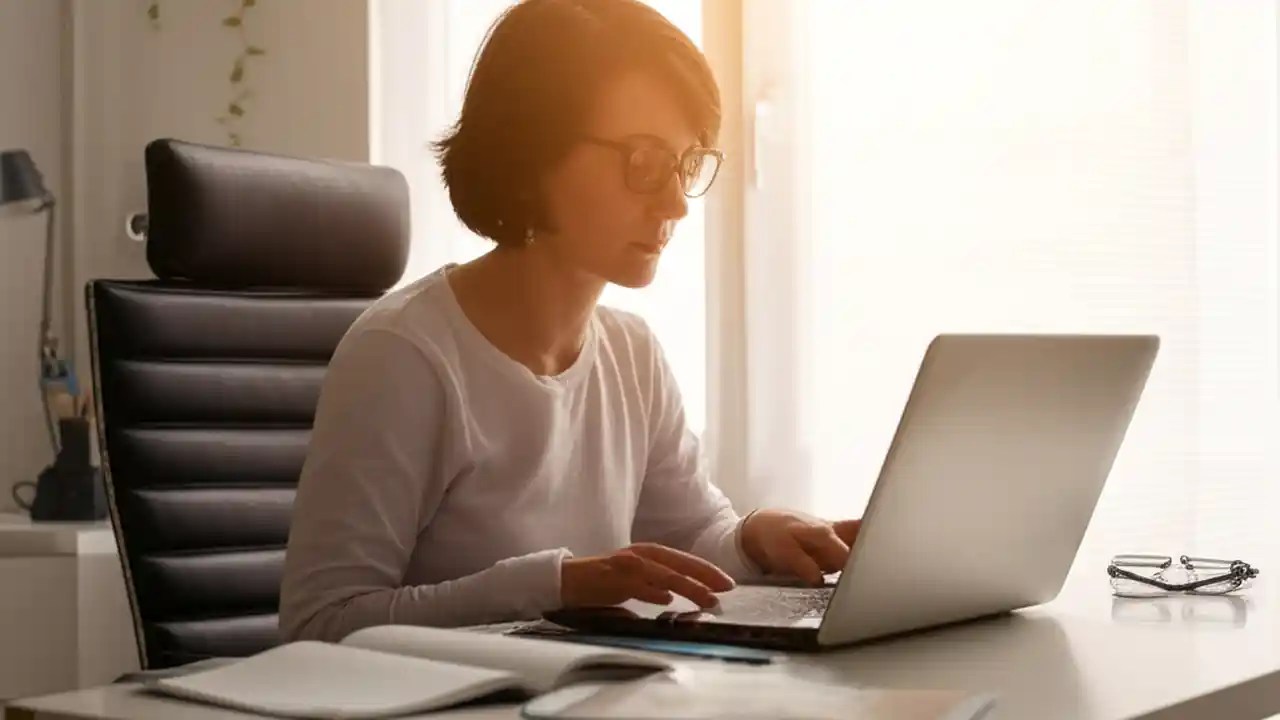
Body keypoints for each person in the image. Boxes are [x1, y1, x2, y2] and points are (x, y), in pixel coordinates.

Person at [279, 0, 860, 644]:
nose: (675, 203)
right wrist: (554, 586)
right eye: (641, 162)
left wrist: (755, 538)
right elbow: (320, 624)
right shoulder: (405, 355)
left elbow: (695, 540)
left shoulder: (631, 351)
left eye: (684, 165)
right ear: (532, 154)